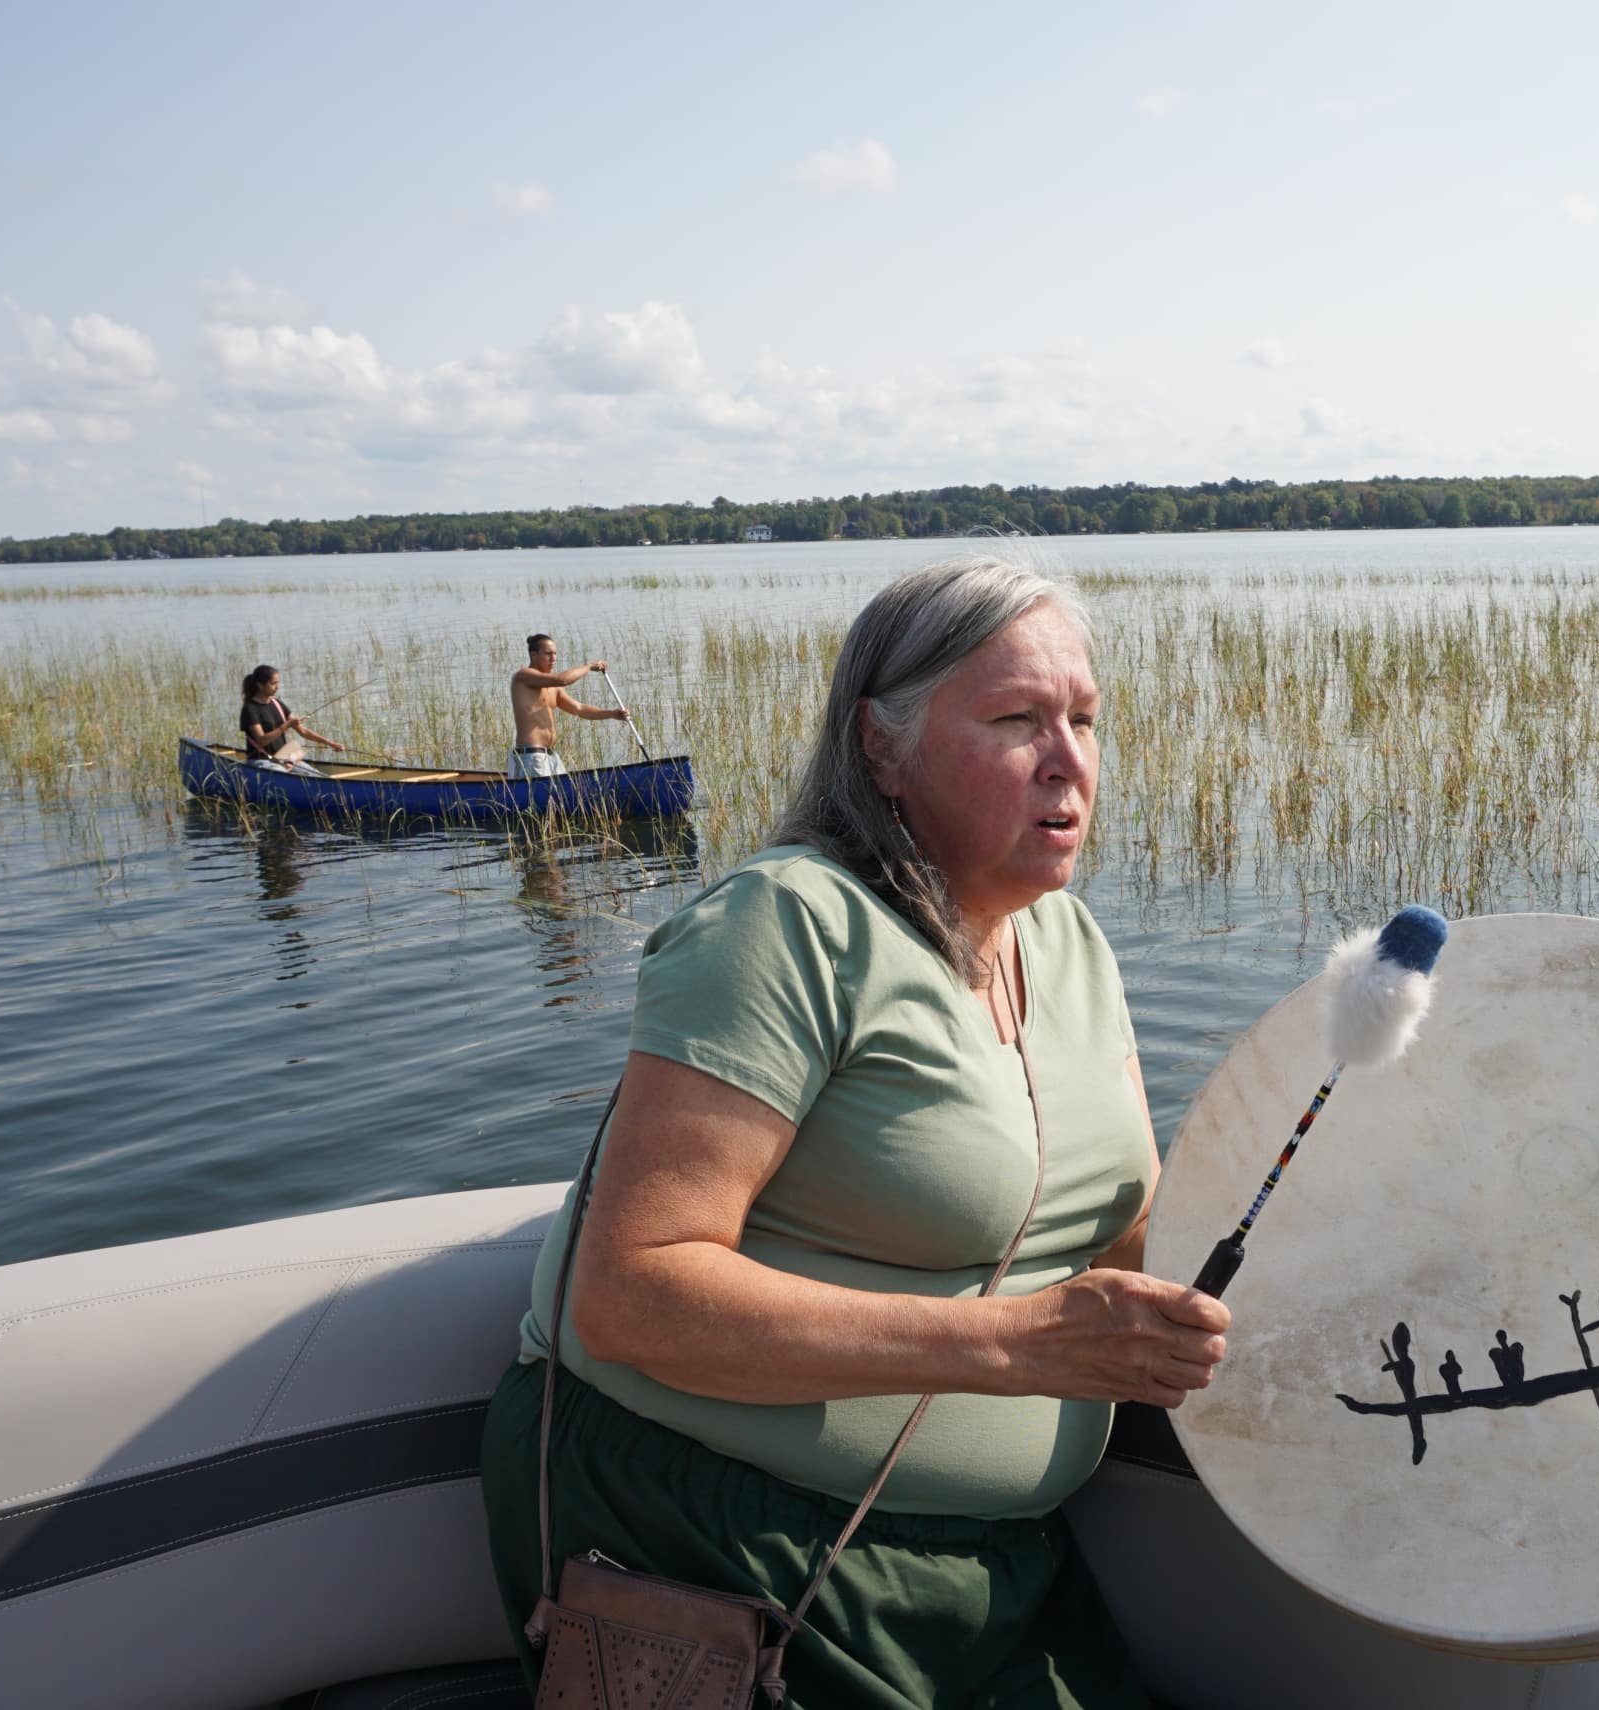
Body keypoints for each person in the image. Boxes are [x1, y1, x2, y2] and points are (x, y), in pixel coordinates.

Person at [481, 557, 1229, 1707]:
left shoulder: (1067, 944)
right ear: (882, 748)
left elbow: (1125, 1234)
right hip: (718, 1547)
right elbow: (629, 1294)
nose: (1069, 758)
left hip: (995, 1564)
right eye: (1017, 720)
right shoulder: (785, 926)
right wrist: (1017, 1347)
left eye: (1083, 719)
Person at [509, 633, 629, 778]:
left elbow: (579, 709)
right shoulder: (524, 676)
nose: (553, 658)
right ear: (533, 655)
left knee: (561, 799)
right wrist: (589, 666)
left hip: (551, 756)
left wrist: (612, 714)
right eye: (548, 654)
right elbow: (563, 680)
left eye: (555, 653)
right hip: (531, 757)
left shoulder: (553, 687)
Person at [237, 664, 342, 773]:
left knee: (316, 775)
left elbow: (303, 731)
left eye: (277, 683)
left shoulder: (276, 703)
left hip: (284, 757)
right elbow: (262, 740)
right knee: (281, 773)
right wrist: (286, 725)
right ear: (260, 685)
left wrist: (330, 743)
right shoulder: (250, 708)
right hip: (261, 760)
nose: (277, 687)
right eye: (273, 684)